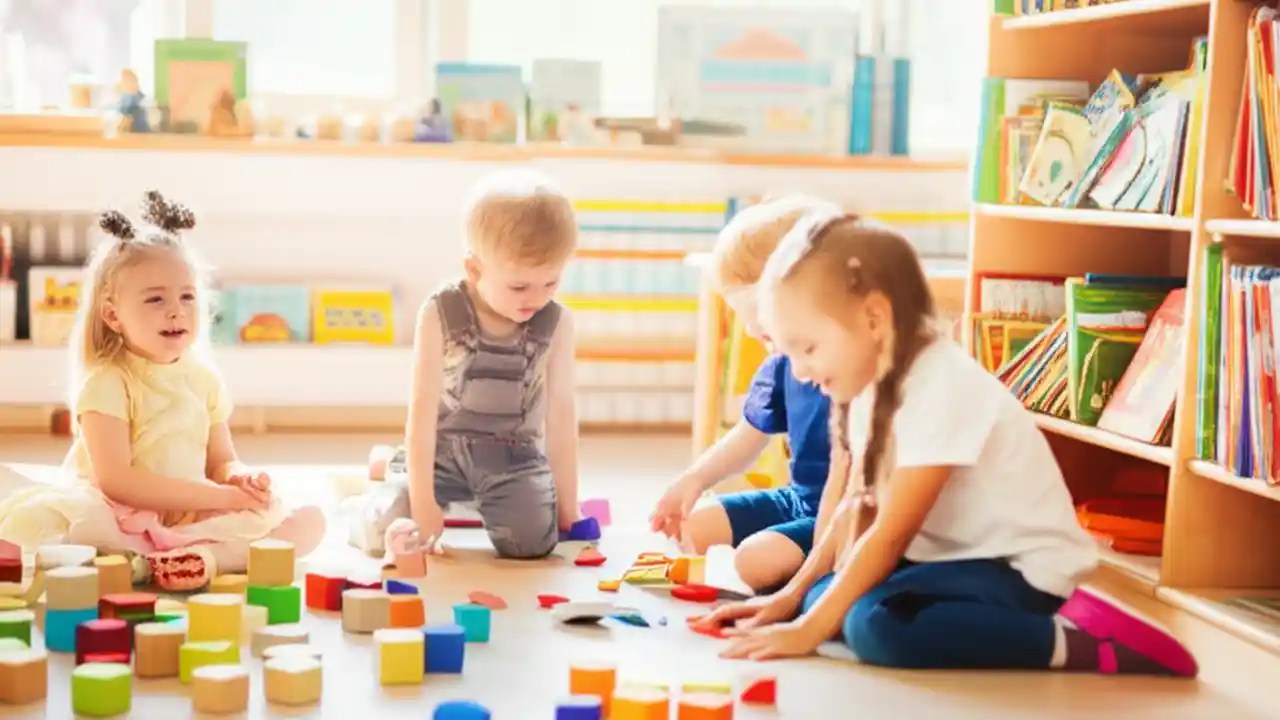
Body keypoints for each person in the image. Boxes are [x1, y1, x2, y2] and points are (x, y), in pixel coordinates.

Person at [700, 209, 1197, 677]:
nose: (801, 370)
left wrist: (808, 630)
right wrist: (793, 597)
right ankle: (839, 606)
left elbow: (891, 533)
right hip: (947, 560)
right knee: (829, 602)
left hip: (1016, 571)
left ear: (874, 320)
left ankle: (1081, 637)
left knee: (875, 627)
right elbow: (858, 507)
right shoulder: (866, 384)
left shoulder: (940, 384)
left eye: (807, 348)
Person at [0, 191, 325, 591]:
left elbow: (222, 460)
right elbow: (116, 480)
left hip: (191, 516)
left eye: (187, 296)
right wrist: (220, 499)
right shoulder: (108, 381)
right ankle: (154, 558)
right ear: (112, 315)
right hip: (120, 515)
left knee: (309, 521)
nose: (176, 310)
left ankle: (201, 560)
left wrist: (241, 479)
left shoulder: (202, 378)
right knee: (74, 525)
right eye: (156, 299)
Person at [352, 169, 581, 559]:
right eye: (519, 286)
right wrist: (423, 504)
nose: (537, 298)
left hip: (513, 456)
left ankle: (493, 503)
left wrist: (568, 508)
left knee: (533, 544)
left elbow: (561, 416)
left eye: (551, 283)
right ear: (474, 271)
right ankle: (390, 469)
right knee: (385, 532)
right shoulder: (441, 311)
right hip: (441, 451)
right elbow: (422, 411)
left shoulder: (555, 322)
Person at [650, 195, 843, 592]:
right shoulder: (781, 366)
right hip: (797, 499)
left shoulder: (847, 366)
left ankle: (822, 567)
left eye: (760, 313)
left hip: (841, 512)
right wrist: (694, 480)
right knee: (693, 526)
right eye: (744, 317)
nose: (754, 331)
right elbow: (747, 438)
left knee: (755, 561)